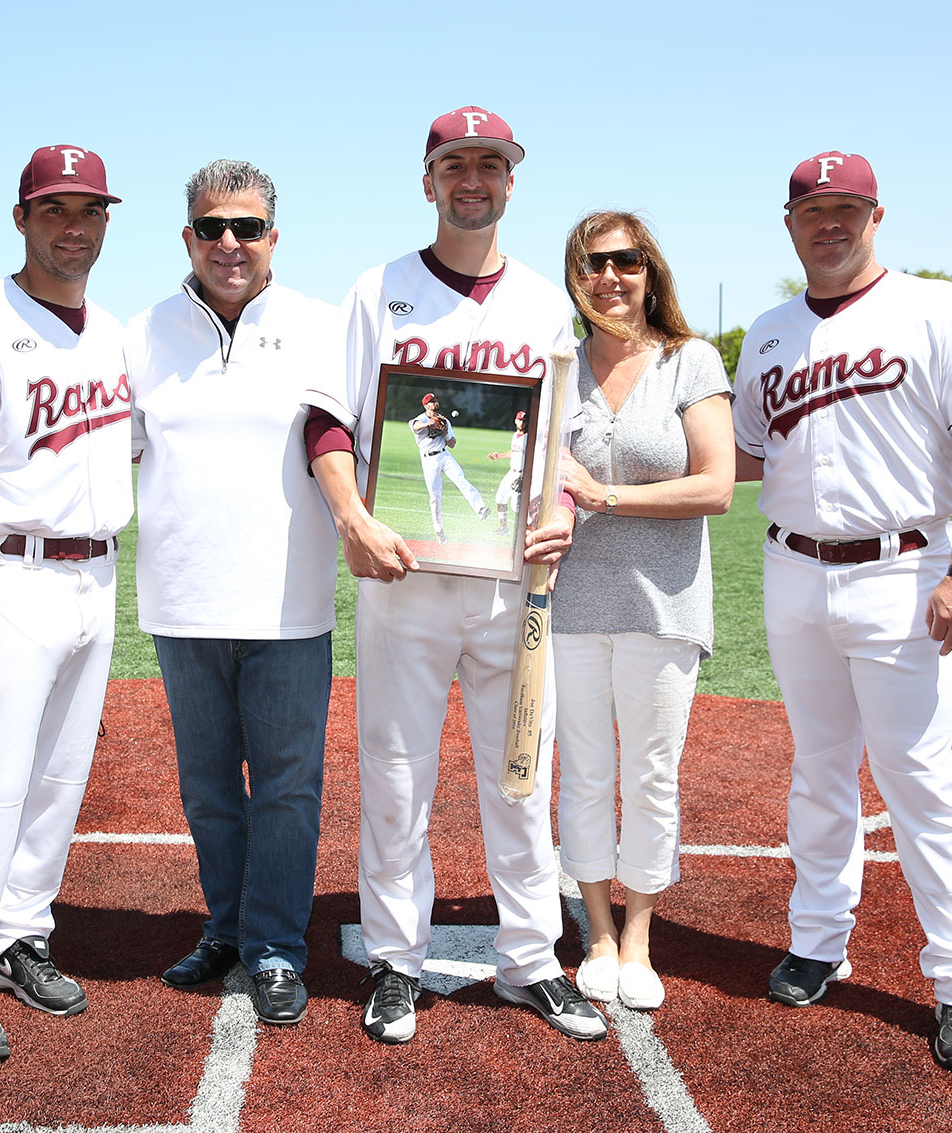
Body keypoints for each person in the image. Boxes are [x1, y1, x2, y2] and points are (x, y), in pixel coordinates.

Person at [303, 105, 601, 1045]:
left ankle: (529, 957)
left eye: (490, 163)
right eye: (454, 163)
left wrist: (558, 515)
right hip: (404, 579)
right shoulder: (378, 289)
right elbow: (326, 424)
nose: (472, 178)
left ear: (512, 181)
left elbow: (561, 446)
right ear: (426, 179)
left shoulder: (549, 304)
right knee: (397, 775)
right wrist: (350, 518)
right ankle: (397, 957)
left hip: (513, 585)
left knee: (521, 773)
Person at [732, 151, 952, 1073]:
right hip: (793, 570)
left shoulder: (934, 306)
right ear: (790, 223)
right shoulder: (768, 332)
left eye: (848, 208)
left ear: (876, 215)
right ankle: (819, 938)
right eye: (815, 208)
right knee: (819, 769)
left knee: (918, 778)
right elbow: (743, 459)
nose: (832, 221)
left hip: (906, 575)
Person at [0, 144, 133, 1063]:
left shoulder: (115, 331)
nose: (73, 227)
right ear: (21, 218)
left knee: (56, 781)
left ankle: (17, 933)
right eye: (54, 210)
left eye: (89, 211)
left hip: (95, 576)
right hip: (10, 572)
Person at [124, 159, 338, 1026]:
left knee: (287, 786)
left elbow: (349, 442)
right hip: (181, 602)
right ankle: (225, 926)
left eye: (247, 227)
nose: (229, 243)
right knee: (209, 787)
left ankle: (278, 946)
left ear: (274, 238)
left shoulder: (323, 327)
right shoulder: (140, 334)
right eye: (211, 226)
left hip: (290, 605)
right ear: (187, 237)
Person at [550, 211, 733, 1012]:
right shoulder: (557, 366)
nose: (610, 277)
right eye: (593, 264)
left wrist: (605, 494)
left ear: (651, 271)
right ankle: (594, 929)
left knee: (651, 774)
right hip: (571, 604)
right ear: (575, 275)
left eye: (626, 261)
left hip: (665, 606)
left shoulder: (689, 360)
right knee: (585, 770)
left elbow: (716, 484)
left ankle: (639, 935)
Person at [409, 391, 491, 542]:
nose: (435, 403)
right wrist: (429, 424)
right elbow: (415, 426)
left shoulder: (444, 420)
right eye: (431, 401)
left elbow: (452, 444)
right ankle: (438, 529)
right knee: (435, 497)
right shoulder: (419, 419)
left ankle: (480, 509)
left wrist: (445, 432)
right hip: (429, 461)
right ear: (426, 405)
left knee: (461, 479)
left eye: (435, 400)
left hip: (444, 455)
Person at [487, 410, 528, 533]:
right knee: (500, 498)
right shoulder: (515, 435)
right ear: (515, 420)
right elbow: (513, 452)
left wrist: (524, 475)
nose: (522, 423)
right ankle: (503, 528)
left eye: (524, 420)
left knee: (516, 506)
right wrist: (498, 456)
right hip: (512, 472)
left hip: (522, 474)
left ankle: (525, 531)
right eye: (520, 420)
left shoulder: (530, 437)